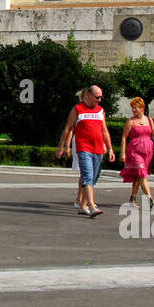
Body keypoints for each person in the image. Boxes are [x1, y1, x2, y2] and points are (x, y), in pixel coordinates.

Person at [58, 85, 116, 218]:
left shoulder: (100, 111)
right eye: (97, 97)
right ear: (88, 95)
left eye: (101, 97)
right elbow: (68, 128)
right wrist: (61, 147)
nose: (99, 100)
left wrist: (110, 148)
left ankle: (82, 206)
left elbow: (105, 131)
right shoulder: (77, 109)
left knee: (93, 178)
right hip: (83, 148)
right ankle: (92, 205)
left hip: (98, 149)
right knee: (88, 176)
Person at [120, 97, 154, 208]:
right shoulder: (130, 122)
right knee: (142, 173)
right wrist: (122, 153)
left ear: (142, 108)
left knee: (138, 176)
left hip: (147, 152)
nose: (133, 110)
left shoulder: (149, 120)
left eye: (135, 108)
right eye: (132, 108)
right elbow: (124, 137)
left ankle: (132, 200)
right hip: (134, 152)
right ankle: (150, 199)